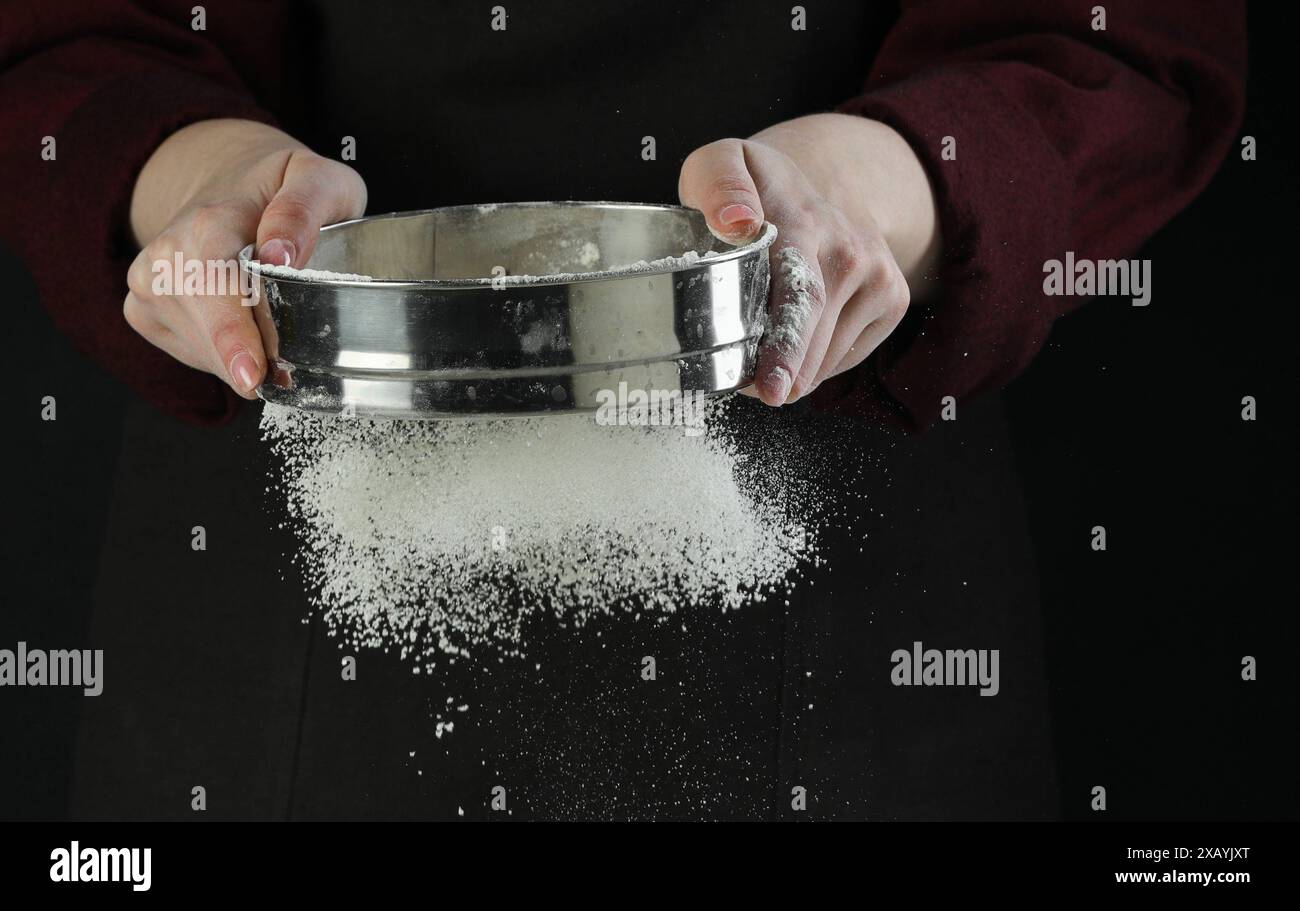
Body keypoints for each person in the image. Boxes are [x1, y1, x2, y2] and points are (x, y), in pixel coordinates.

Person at [0, 1, 1247, 819]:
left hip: (857, 623)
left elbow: (1122, 37)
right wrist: (206, 186)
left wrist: (872, 189)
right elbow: (70, 38)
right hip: (282, 597)